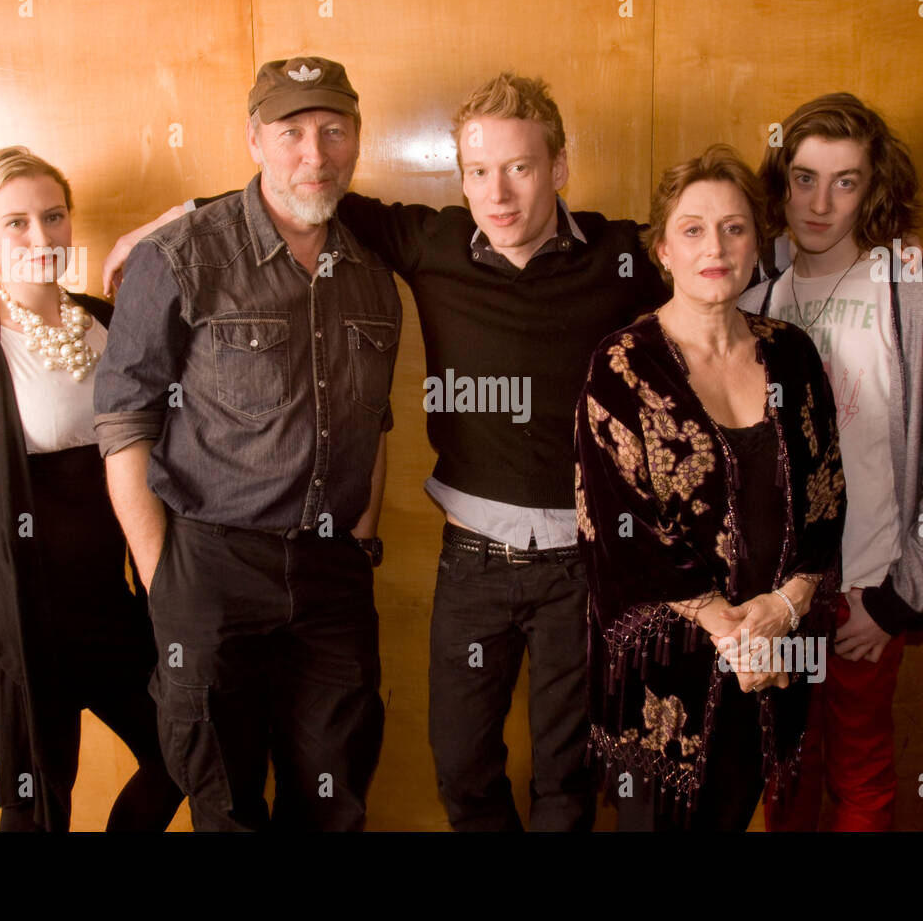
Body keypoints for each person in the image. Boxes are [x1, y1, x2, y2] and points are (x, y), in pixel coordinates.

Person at [104, 73, 671, 831]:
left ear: (559, 167)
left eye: (521, 168)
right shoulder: (430, 242)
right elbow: (295, 196)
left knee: (544, 776)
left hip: (554, 560)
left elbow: (713, 253)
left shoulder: (619, 256)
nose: (498, 193)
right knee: (435, 771)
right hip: (409, 561)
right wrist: (179, 217)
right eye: (478, 171)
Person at [94, 57, 400, 831]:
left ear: (357, 140)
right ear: (254, 139)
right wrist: (168, 581)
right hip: (211, 567)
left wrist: (361, 539)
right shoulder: (181, 257)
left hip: (334, 576)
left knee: (335, 793)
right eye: (291, 131)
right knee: (225, 799)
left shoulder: (371, 271)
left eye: (334, 130)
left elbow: (376, 417)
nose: (315, 152)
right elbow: (125, 423)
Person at [574, 145, 847, 830]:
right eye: (693, 229)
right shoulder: (622, 365)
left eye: (734, 227)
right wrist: (725, 628)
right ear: (662, 249)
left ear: (759, 241)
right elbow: (615, 532)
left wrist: (786, 606)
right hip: (665, 680)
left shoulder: (793, 353)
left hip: (774, 662)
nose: (715, 246)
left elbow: (825, 495)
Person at [0, 146, 183, 831]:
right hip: (6, 616)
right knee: (37, 806)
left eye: (54, 217)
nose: (41, 238)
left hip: (106, 606)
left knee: (184, 752)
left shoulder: (112, 321)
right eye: (17, 223)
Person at [740, 93, 923, 831]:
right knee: (783, 775)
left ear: (874, 189)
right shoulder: (756, 298)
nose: (820, 202)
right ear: (780, 183)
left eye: (845, 181)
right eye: (804, 178)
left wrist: (900, 600)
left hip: (868, 591)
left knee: (861, 775)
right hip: (782, 593)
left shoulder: (920, 294)